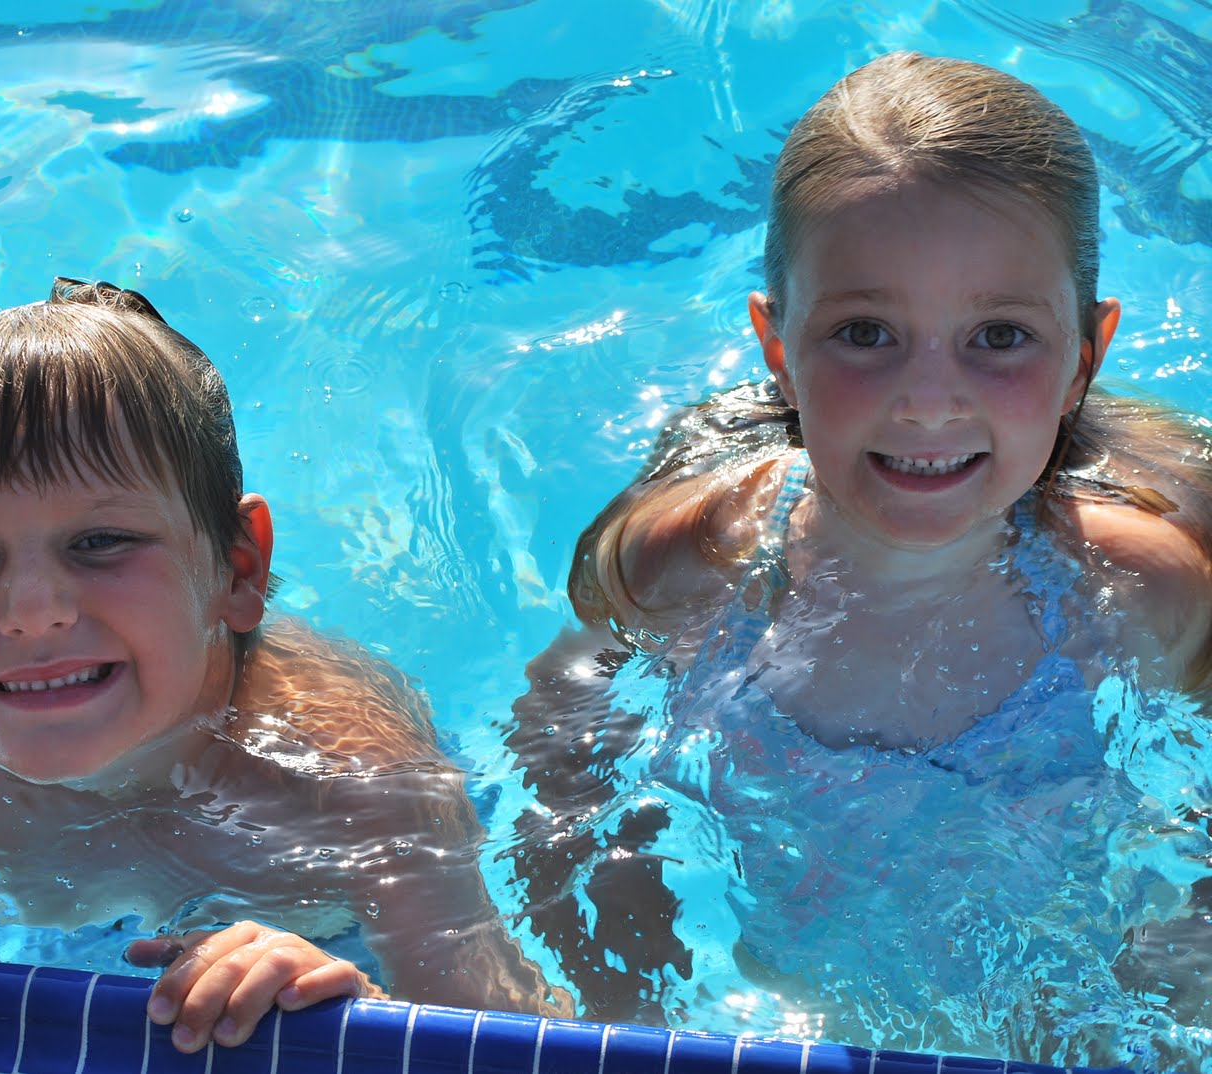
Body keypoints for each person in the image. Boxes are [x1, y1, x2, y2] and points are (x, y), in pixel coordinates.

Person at [500, 52, 1212, 1065]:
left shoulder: (1138, 593)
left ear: (1084, 357)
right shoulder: (692, 571)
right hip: (787, 1018)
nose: (928, 398)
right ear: (776, 344)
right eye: (866, 332)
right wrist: (625, 1003)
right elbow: (563, 775)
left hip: (1081, 1000)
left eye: (999, 336)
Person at [0, 278, 569, 1053]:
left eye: (102, 542)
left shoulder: (347, 775)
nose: (33, 610)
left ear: (237, 569)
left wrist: (357, 1003)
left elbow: (521, 1038)